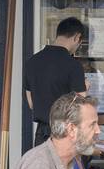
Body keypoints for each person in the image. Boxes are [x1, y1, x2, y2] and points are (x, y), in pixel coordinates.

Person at [23, 16, 86, 146]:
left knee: (42, 166)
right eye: (80, 42)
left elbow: (31, 103)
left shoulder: (32, 62)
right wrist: (85, 86)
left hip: (42, 134)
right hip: (66, 133)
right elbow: (80, 104)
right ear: (77, 37)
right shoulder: (73, 65)